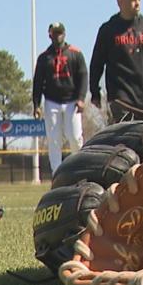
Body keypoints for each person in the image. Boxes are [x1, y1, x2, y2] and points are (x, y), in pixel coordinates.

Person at [33, 22, 88, 173]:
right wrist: (36, 104)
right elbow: (38, 82)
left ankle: (79, 171)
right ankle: (56, 174)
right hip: (52, 101)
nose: (57, 36)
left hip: (72, 102)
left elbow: (83, 76)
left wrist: (81, 98)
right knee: (54, 140)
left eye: (60, 33)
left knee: (75, 137)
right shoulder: (44, 57)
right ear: (49, 35)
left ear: (64, 34)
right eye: (54, 33)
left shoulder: (75, 53)